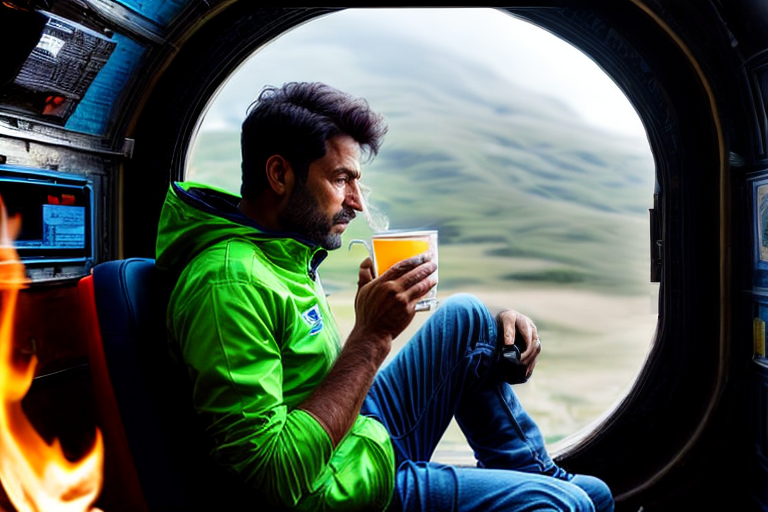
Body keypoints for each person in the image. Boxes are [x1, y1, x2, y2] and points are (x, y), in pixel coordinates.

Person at [155, 81, 614, 512]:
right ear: (279, 174)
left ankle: (536, 473)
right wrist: (371, 338)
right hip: (329, 488)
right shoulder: (230, 283)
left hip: (351, 439)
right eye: (341, 179)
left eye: (357, 182)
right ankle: (546, 490)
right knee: (567, 505)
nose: (356, 202)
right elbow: (273, 475)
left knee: (468, 318)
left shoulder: (284, 255)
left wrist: (496, 339)